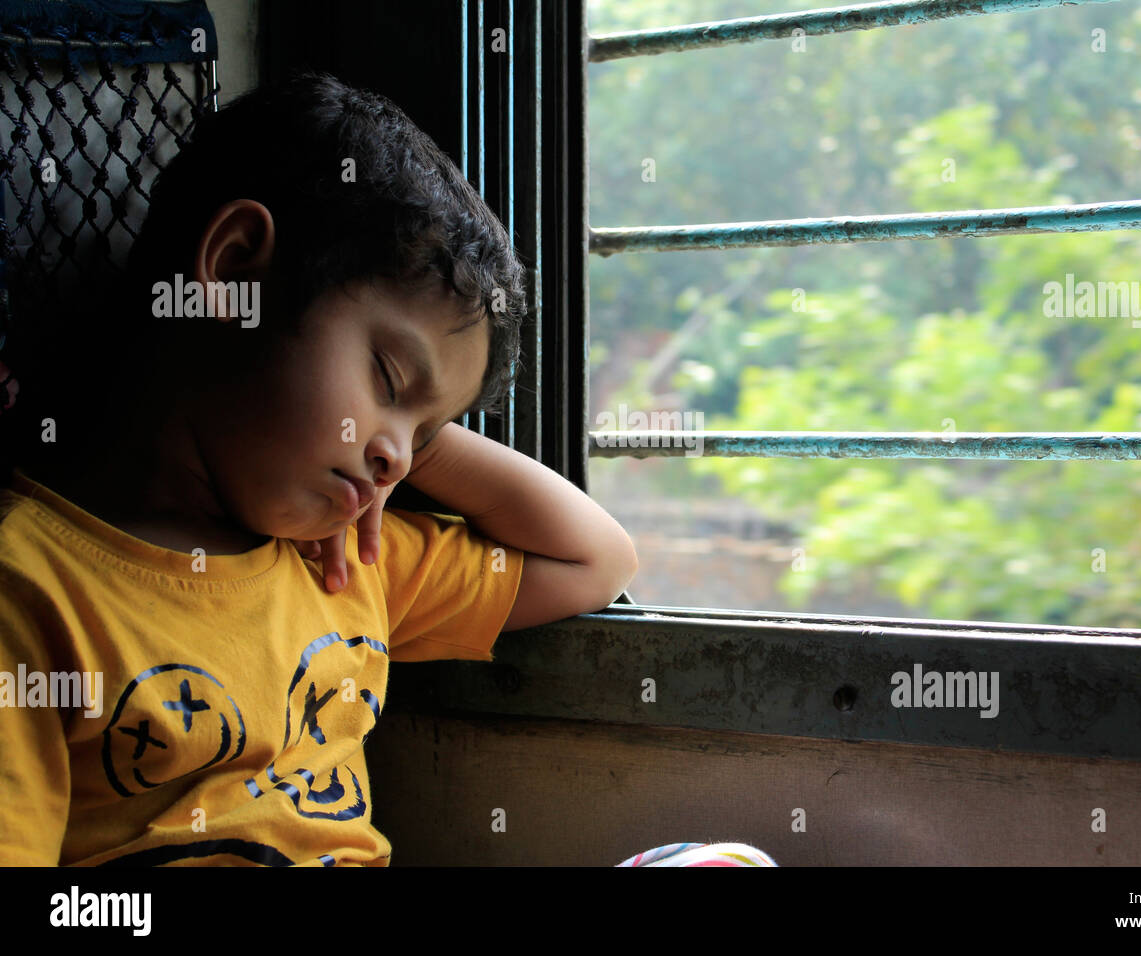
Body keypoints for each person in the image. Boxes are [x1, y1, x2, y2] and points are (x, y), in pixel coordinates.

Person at [0, 70, 774, 868]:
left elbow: (594, 558)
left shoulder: (344, 570)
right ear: (233, 275)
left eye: (427, 431)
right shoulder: (31, 591)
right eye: (391, 381)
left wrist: (413, 442)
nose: (396, 453)